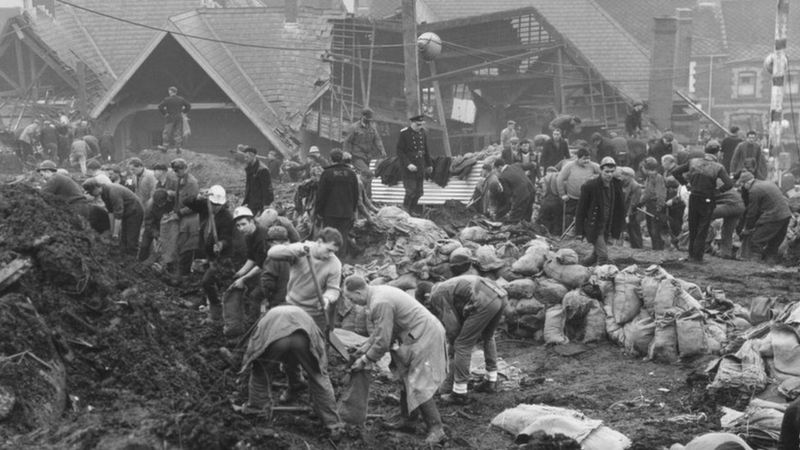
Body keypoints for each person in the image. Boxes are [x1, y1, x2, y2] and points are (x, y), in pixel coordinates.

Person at [343, 275, 447, 445]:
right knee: (405, 377)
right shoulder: (376, 295)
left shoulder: (379, 302)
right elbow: (381, 330)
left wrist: (365, 360)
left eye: (351, 298)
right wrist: (364, 348)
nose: (351, 302)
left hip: (426, 334)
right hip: (414, 334)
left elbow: (383, 342)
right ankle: (408, 420)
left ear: (359, 292)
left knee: (419, 383)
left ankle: (437, 429)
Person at [239, 305, 343, 440]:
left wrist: (248, 362)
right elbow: (318, 353)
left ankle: (257, 410)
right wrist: (320, 367)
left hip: (276, 339)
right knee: (318, 376)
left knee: (260, 373)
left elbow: (255, 348)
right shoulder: (304, 316)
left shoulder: (266, 319)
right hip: (303, 337)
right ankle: (333, 425)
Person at [419, 275, 507, 403]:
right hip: (500, 295)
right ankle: (490, 381)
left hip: (484, 298)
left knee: (462, 345)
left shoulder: (436, 295)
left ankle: (459, 392)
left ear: (426, 299)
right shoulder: (447, 286)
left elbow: (453, 329)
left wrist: (451, 347)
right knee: (488, 336)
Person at [266, 227, 342, 331]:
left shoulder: (335, 264)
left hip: (315, 314)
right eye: (328, 250)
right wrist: (299, 251)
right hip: (291, 306)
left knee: (319, 340)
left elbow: (333, 289)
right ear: (319, 242)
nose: (329, 255)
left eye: (333, 252)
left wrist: (327, 298)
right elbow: (272, 253)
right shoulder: (302, 248)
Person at [673, 141, 734, 262]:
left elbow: (675, 172)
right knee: (703, 228)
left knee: (693, 226)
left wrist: (686, 184)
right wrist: (717, 191)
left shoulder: (693, 162)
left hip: (694, 196)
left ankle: (691, 254)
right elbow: (729, 184)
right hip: (707, 198)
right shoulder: (718, 167)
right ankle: (698, 256)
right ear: (717, 153)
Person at [185, 185, 234, 323]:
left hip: (221, 256)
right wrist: (198, 196)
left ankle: (217, 311)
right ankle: (206, 303)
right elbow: (187, 201)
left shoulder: (226, 217)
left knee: (209, 281)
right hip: (205, 249)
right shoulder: (204, 206)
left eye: (218, 205)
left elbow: (228, 237)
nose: (215, 207)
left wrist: (221, 244)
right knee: (203, 279)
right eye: (212, 204)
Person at [222, 206, 269, 336]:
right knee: (249, 292)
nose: (241, 228)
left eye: (243, 224)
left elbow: (261, 265)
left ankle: (253, 328)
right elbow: (251, 259)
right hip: (262, 268)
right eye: (238, 226)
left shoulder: (262, 236)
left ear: (252, 221)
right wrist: (239, 274)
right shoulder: (248, 236)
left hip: (274, 270)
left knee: (255, 295)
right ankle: (251, 320)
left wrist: (243, 279)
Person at [575, 157, 626, 266]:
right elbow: (581, 210)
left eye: (612, 171)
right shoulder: (590, 186)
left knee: (596, 254)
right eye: (606, 171)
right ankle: (599, 275)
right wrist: (579, 231)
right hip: (594, 225)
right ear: (601, 170)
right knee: (603, 255)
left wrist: (619, 225)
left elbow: (620, 207)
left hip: (608, 225)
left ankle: (580, 266)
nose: (609, 174)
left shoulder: (616, 185)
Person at [37, 160, 108, 233]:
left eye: (42, 175)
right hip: (79, 206)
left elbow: (40, 195)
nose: (42, 178)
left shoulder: (54, 178)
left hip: (76, 207)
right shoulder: (59, 178)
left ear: (47, 171)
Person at [737, 171, 792, 263]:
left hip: (774, 215)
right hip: (786, 215)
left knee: (757, 240)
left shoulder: (754, 190)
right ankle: (770, 263)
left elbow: (752, 212)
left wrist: (748, 228)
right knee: (774, 242)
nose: (742, 187)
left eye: (742, 185)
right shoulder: (768, 183)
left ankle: (754, 262)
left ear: (746, 183)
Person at [316, 149, 359, 258]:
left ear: (331, 159)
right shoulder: (351, 173)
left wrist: (318, 211)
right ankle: (341, 261)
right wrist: (353, 210)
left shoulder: (327, 173)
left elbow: (321, 195)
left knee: (329, 237)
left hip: (329, 212)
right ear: (342, 159)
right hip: (346, 212)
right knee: (342, 237)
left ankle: (328, 259)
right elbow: (356, 195)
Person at [83, 178, 144, 255]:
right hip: (126, 212)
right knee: (124, 238)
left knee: (131, 238)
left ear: (96, 188)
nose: (91, 195)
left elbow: (118, 214)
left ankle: (133, 256)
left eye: (90, 192)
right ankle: (123, 255)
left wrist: (115, 234)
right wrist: (112, 231)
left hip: (135, 211)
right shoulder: (104, 194)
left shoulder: (113, 192)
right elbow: (111, 212)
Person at [343, 108, 386, 197]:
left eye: (370, 119)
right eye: (367, 118)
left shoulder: (372, 128)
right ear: (363, 116)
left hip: (367, 157)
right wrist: (346, 152)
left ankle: (361, 196)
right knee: (368, 173)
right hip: (356, 156)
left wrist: (382, 150)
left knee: (365, 177)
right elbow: (347, 141)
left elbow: (377, 140)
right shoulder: (354, 127)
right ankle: (368, 197)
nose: (369, 121)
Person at [170, 158, 200, 279]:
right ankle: (180, 272)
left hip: (191, 219)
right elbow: (178, 199)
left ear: (184, 169)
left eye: (178, 170)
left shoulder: (192, 183)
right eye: (175, 171)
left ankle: (185, 275)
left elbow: (194, 205)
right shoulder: (180, 179)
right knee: (179, 245)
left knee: (187, 247)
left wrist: (179, 213)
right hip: (182, 217)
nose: (176, 173)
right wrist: (175, 211)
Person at [557, 147, 600, 233]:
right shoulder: (569, 166)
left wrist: (596, 179)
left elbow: (603, 173)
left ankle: (582, 235)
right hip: (572, 198)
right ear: (578, 158)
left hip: (587, 199)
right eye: (584, 159)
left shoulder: (593, 166)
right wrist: (562, 194)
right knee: (569, 217)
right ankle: (567, 235)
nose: (587, 161)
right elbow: (560, 179)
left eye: (588, 158)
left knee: (586, 217)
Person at [396, 114, 432, 215]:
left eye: (421, 124)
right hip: (408, 167)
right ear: (412, 123)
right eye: (417, 125)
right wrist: (408, 164)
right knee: (410, 191)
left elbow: (426, 149)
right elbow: (400, 151)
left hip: (420, 165)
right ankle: (405, 211)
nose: (419, 127)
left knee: (419, 192)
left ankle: (411, 211)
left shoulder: (423, 133)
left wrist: (429, 164)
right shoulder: (404, 133)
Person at [493, 158, 535, 222]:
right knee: (527, 215)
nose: (496, 171)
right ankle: (527, 225)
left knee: (514, 218)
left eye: (495, 169)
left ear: (499, 167)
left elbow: (508, 193)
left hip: (521, 195)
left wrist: (504, 208)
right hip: (531, 190)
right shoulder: (516, 165)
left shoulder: (502, 177)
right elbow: (531, 165)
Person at [138, 188, 174, 263]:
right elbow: (148, 225)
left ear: (166, 199)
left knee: (166, 247)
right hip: (153, 224)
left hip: (167, 223)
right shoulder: (149, 207)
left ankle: (165, 263)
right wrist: (157, 235)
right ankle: (141, 262)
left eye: (161, 204)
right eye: (158, 204)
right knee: (144, 245)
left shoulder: (172, 197)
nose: (159, 206)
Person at [260, 225, 292, 308]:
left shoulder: (273, 257)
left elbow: (268, 284)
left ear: (274, 242)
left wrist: (268, 298)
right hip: (296, 301)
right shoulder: (297, 253)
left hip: (279, 303)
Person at [639, 157, 667, 250]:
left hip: (655, 206)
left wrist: (659, 208)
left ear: (646, 168)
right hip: (650, 205)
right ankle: (656, 249)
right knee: (651, 229)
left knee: (655, 231)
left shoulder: (657, 177)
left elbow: (660, 194)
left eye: (643, 167)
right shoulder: (649, 177)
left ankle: (658, 250)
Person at [709, 187, 744, 259]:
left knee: (705, 216)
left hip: (732, 204)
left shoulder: (707, 187)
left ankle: (703, 247)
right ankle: (726, 253)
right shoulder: (726, 186)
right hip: (740, 206)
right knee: (728, 231)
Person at [242, 146, 274, 216]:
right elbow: (249, 186)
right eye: (245, 157)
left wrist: (266, 204)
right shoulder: (249, 168)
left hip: (260, 203)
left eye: (247, 157)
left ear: (252, 156)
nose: (245, 159)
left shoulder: (262, 170)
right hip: (251, 201)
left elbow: (267, 188)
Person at [158, 86, 191, 153]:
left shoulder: (167, 99)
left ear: (170, 91)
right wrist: (183, 112)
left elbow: (160, 106)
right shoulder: (181, 99)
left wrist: (165, 113)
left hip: (170, 118)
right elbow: (188, 106)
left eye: (169, 91)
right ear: (176, 92)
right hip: (179, 118)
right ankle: (178, 148)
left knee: (167, 133)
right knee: (178, 133)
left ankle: (165, 147)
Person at [618, 166, 643, 249]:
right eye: (622, 174)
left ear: (630, 176)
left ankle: (638, 247)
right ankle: (621, 246)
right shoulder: (622, 183)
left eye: (624, 174)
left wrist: (628, 214)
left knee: (633, 229)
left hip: (633, 212)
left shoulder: (636, 186)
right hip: (623, 209)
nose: (622, 176)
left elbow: (634, 203)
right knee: (622, 228)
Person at [537, 166, 563, 235]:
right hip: (556, 201)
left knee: (544, 219)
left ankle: (545, 233)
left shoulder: (542, 179)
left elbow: (538, 192)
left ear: (547, 172)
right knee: (557, 219)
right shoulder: (557, 177)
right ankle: (556, 234)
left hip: (545, 202)